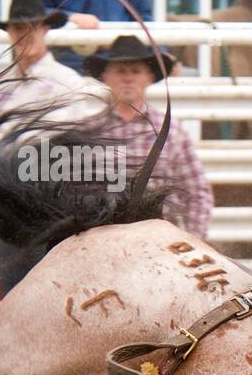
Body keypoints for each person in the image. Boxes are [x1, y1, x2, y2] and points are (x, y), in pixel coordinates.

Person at [0, 0, 108, 292]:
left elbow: (70, 148)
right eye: (17, 29)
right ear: (8, 34)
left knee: (52, 290)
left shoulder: (67, 84)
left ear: (45, 30)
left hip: (52, 204)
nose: (23, 36)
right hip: (9, 206)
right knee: (15, 290)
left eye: (31, 28)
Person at [85, 35, 213, 240]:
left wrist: (191, 240)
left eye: (136, 71)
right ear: (105, 77)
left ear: (149, 77)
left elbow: (197, 192)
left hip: (161, 237)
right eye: (120, 71)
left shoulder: (172, 131)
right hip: (102, 237)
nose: (128, 78)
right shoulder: (89, 131)